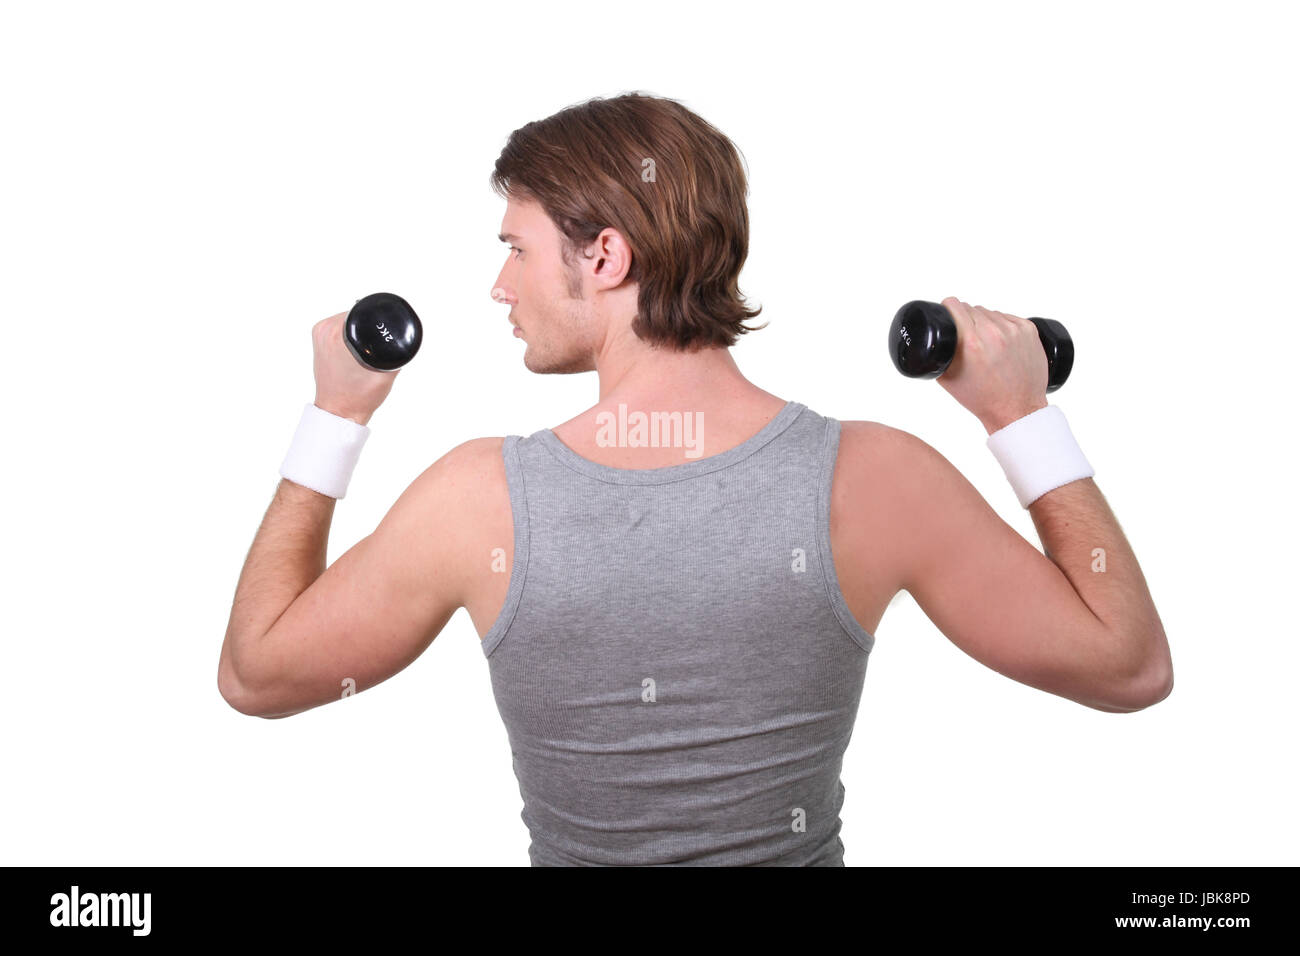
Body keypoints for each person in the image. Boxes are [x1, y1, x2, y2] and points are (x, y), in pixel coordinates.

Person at [217, 92, 1173, 866]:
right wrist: (1020, 417)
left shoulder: (479, 501)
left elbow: (256, 676)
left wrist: (334, 419)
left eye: (514, 248)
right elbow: (1126, 667)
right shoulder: (873, 479)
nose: (499, 287)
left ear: (604, 255)